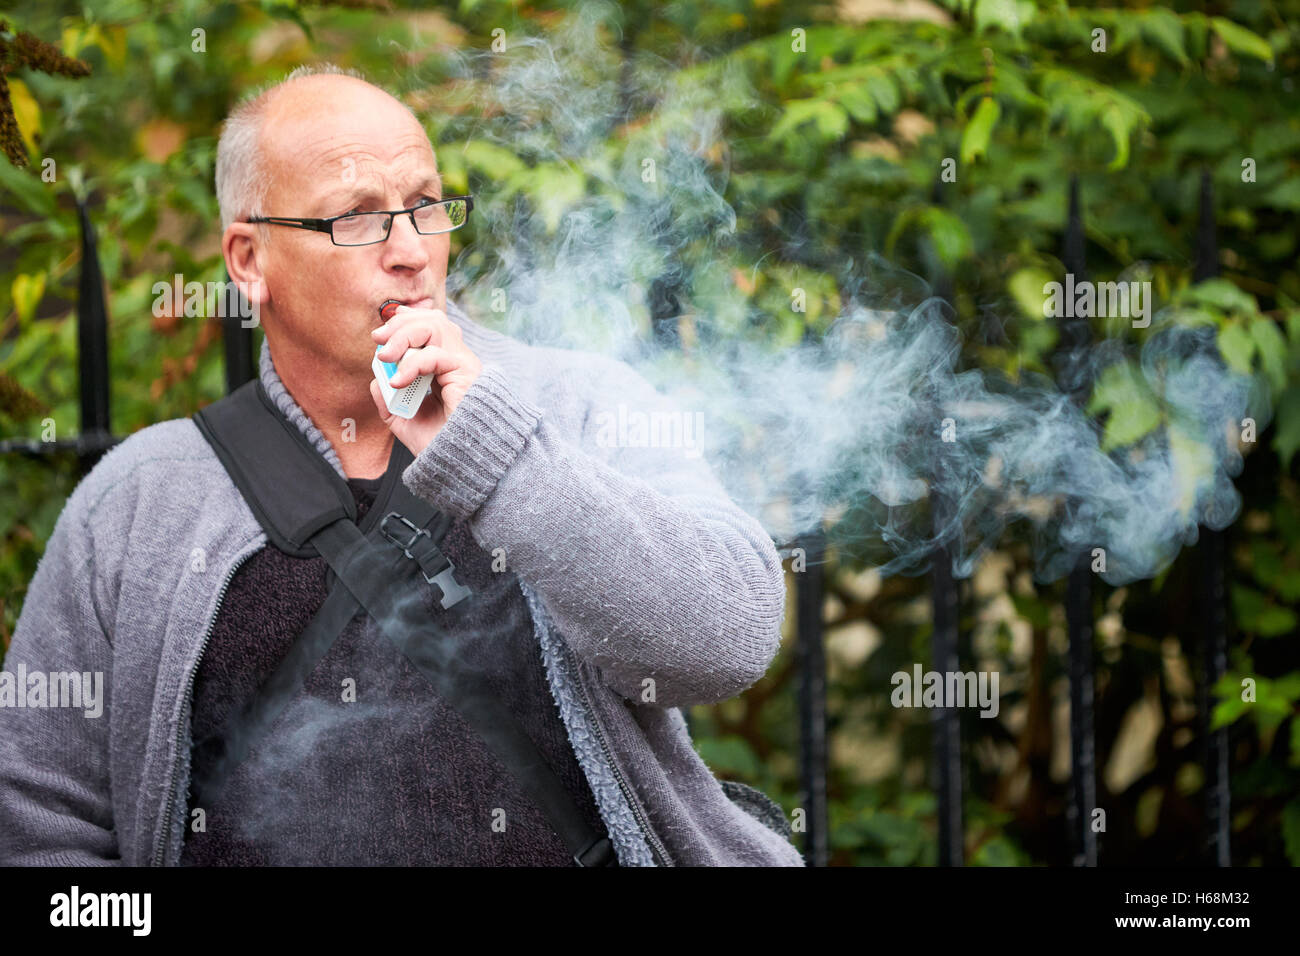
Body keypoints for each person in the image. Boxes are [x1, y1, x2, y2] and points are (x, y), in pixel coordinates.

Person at [0, 65, 802, 866]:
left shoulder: (581, 407)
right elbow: (41, 822)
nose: (412, 251)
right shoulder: (140, 498)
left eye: (425, 206)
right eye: (356, 217)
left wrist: (500, 457)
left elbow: (725, 643)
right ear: (248, 260)